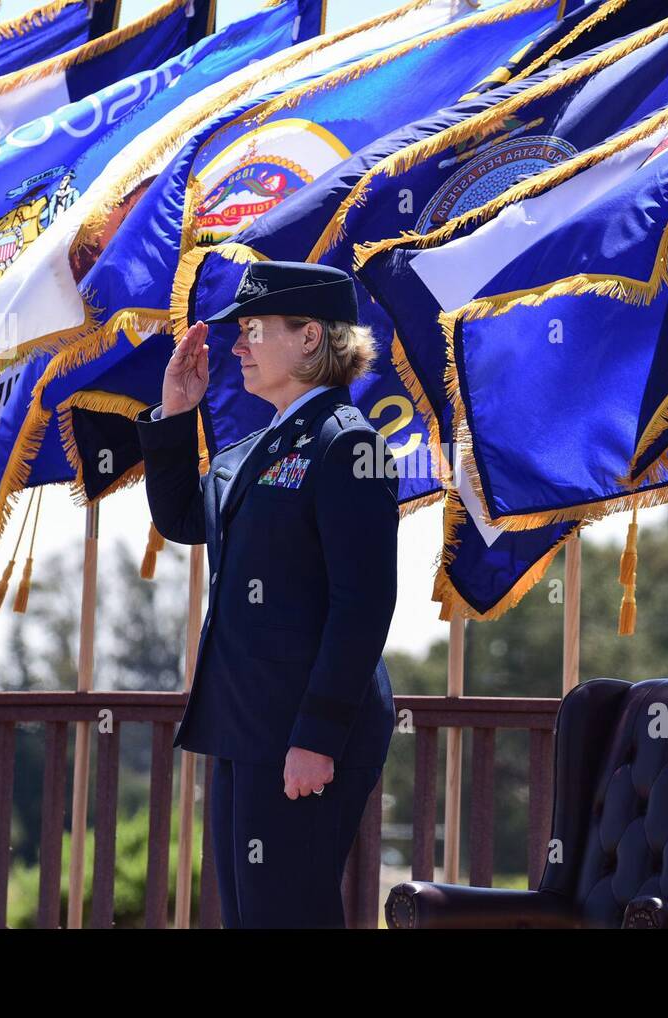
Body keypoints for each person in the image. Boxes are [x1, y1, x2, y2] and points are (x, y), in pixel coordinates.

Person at [134, 260, 399, 928]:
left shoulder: (349, 445)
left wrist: (316, 735)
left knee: (288, 918)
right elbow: (183, 520)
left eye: (253, 329)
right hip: (248, 723)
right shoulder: (256, 447)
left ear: (310, 337)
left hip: (303, 728)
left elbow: (363, 603)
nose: (238, 345)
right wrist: (175, 414)